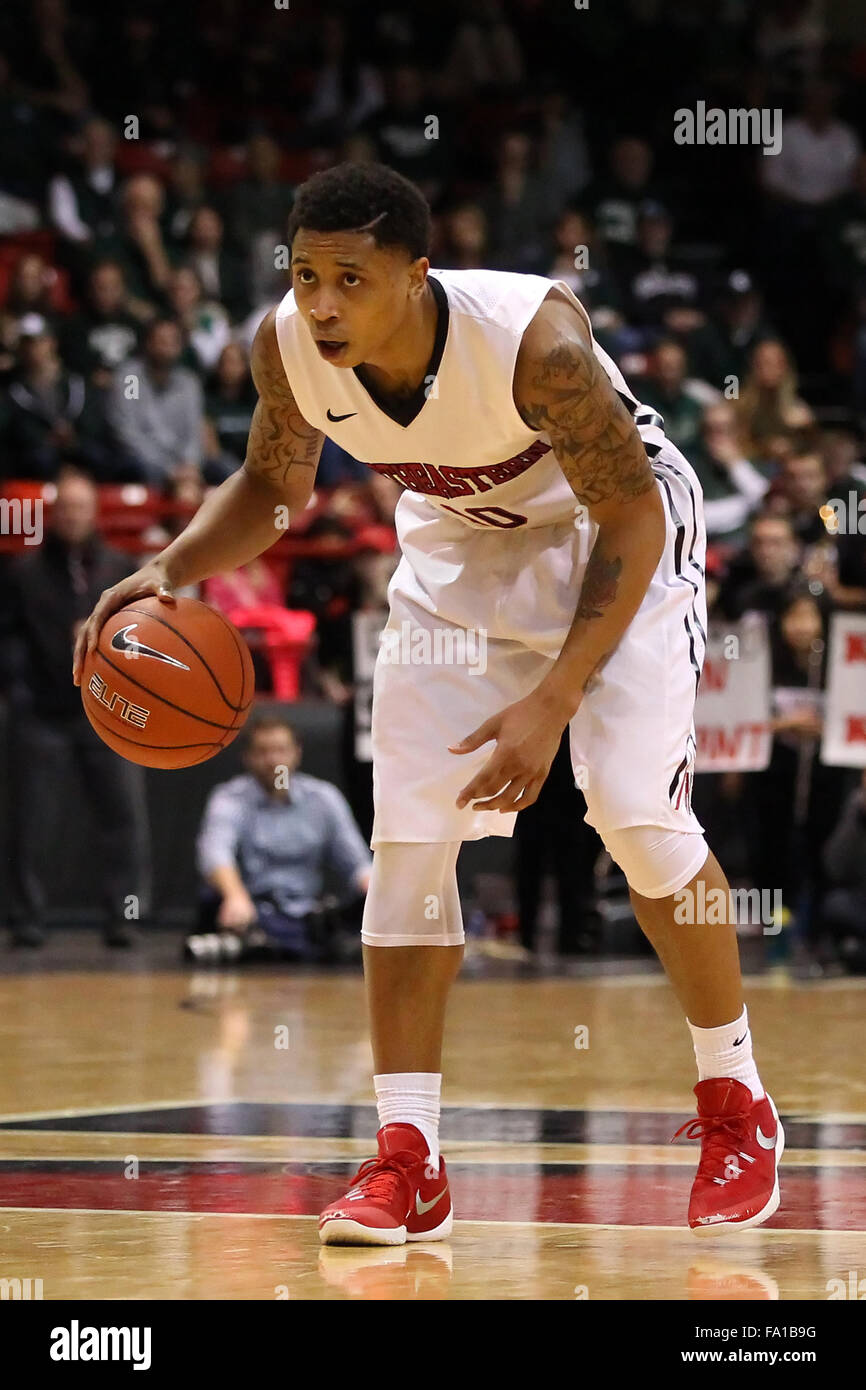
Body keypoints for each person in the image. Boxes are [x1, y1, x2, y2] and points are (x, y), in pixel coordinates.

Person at [74, 161, 784, 1244]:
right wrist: (170, 568)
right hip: (459, 556)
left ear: (416, 272)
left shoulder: (532, 344)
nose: (319, 303)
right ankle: (409, 1155)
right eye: (305, 275)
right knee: (407, 842)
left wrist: (551, 700)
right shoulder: (290, 347)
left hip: (613, 538)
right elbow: (271, 490)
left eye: (348, 279)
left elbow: (633, 521)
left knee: (638, 817)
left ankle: (735, 1101)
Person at [2, 466, 148, 947]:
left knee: (123, 817)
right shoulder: (22, 572)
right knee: (32, 822)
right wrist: (20, 689)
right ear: (51, 513)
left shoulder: (122, 567)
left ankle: (123, 917)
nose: (71, 515)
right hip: (43, 711)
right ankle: (27, 919)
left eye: (80, 506)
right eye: (63, 507)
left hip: (107, 711)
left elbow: (145, 636)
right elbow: (8, 638)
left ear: (96, 512)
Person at [193, 713, 372, 960]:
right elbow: (214, 853)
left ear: (296, 752)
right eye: (263, 751)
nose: (273, 760)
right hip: (250, 911)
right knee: (212, 900)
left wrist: (372, 887)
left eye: (280, 750)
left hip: (307, 913)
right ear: (248, 757)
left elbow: (357, 863)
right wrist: (235, 895)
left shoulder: (323, 799)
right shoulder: (229, 799)